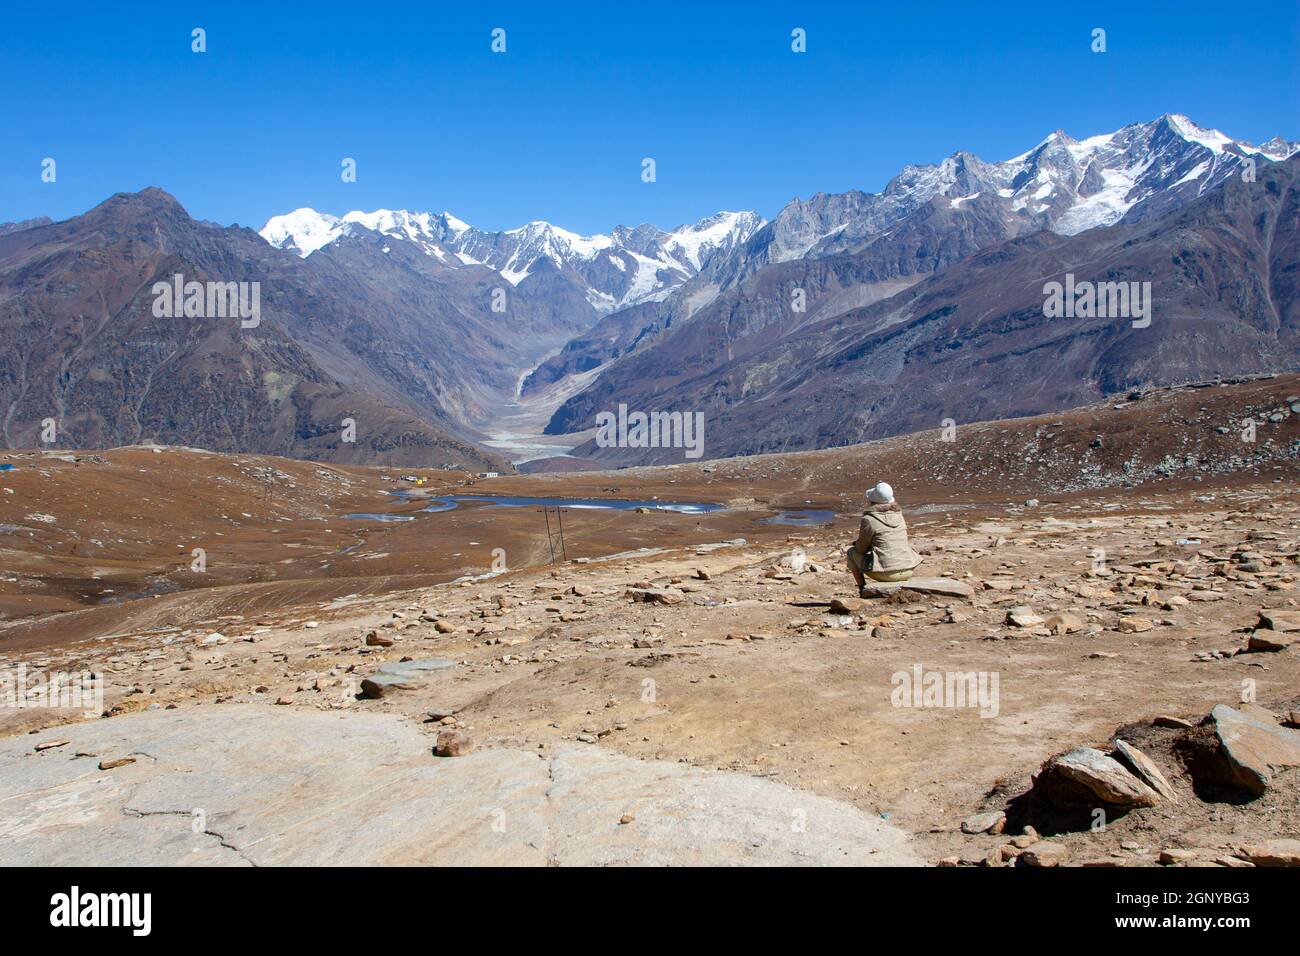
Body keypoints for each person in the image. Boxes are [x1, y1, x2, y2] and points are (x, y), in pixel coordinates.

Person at [846, 482, 921, 595]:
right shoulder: (899, 515)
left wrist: (856, 544)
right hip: (908, 569)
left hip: (885, 572)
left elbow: (861, 549)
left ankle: (863, 590)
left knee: (851, 552)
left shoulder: (869, 519)